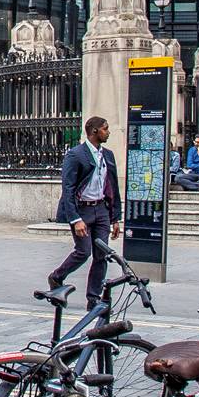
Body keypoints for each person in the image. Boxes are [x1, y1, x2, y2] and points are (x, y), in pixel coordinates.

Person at [48, 116, 122, 305]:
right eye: (105, 129)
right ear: (95, 131)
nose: (108, 132)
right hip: (82, 210)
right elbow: (68, 188)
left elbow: (113, 186)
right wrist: (75, 219)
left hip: (101, 209)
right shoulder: (76, 155)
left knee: (102, 254)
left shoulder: (108, 155)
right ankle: (57, 276)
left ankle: (93, 298)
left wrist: (115, 218)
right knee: (83, 251)